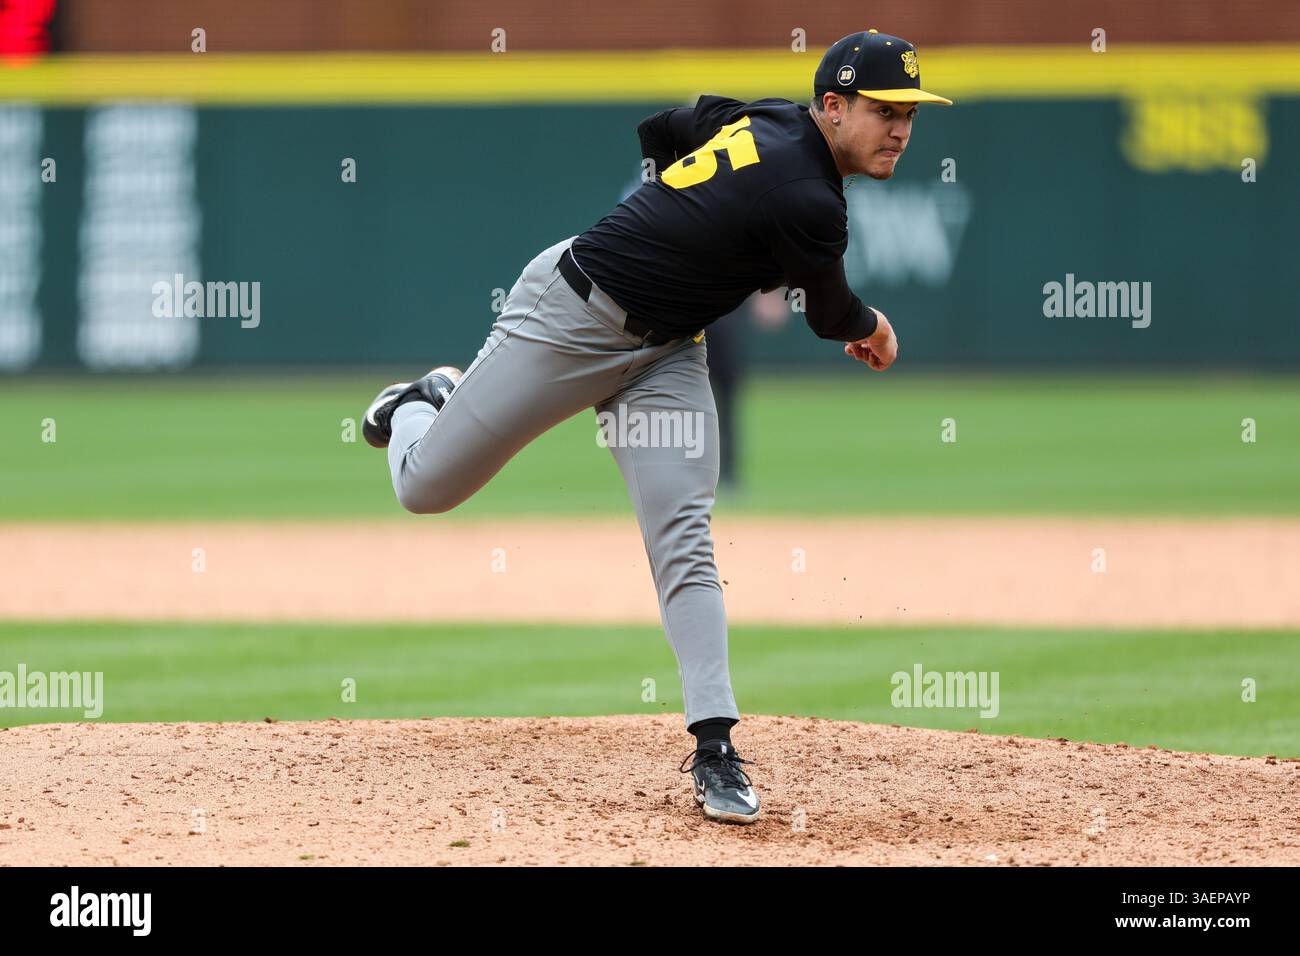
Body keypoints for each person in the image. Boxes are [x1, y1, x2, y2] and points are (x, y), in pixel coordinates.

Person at [360, 30, 951, 824]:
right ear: (833, 107)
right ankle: (419, 403)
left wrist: (679, 216)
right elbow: (833, 315)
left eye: (911, 111)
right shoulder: (810, 199)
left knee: (683, 537)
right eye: (885, 110)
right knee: (423, 487)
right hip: (571, 317)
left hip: (667, 354)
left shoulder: (767, 119)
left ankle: (715, 750)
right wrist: (875, 326)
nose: (902, 128)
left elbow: (664, 129)